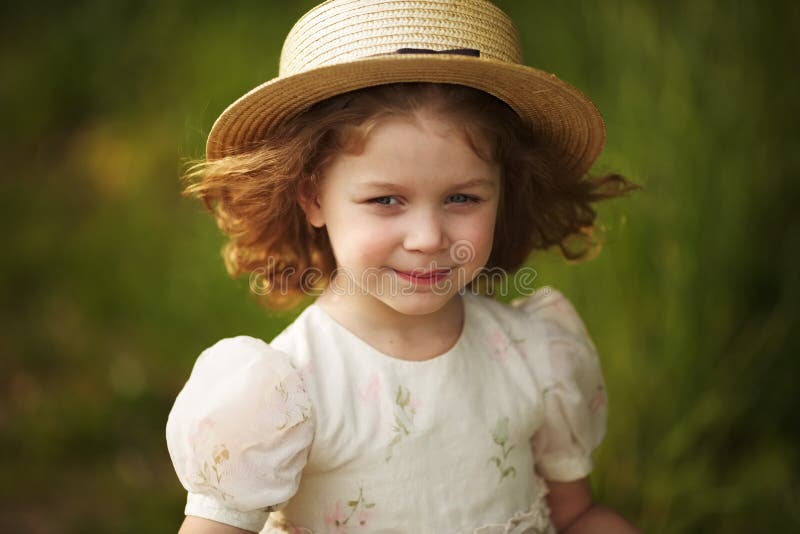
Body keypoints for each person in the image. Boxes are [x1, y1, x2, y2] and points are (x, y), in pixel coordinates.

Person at [166, 1, 641, 532]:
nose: (428, 238)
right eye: (386, 201)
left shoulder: (533, 355)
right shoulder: (285, 396)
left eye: (462, 198)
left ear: (504, 192)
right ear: (313, 197)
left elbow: (576, 516)